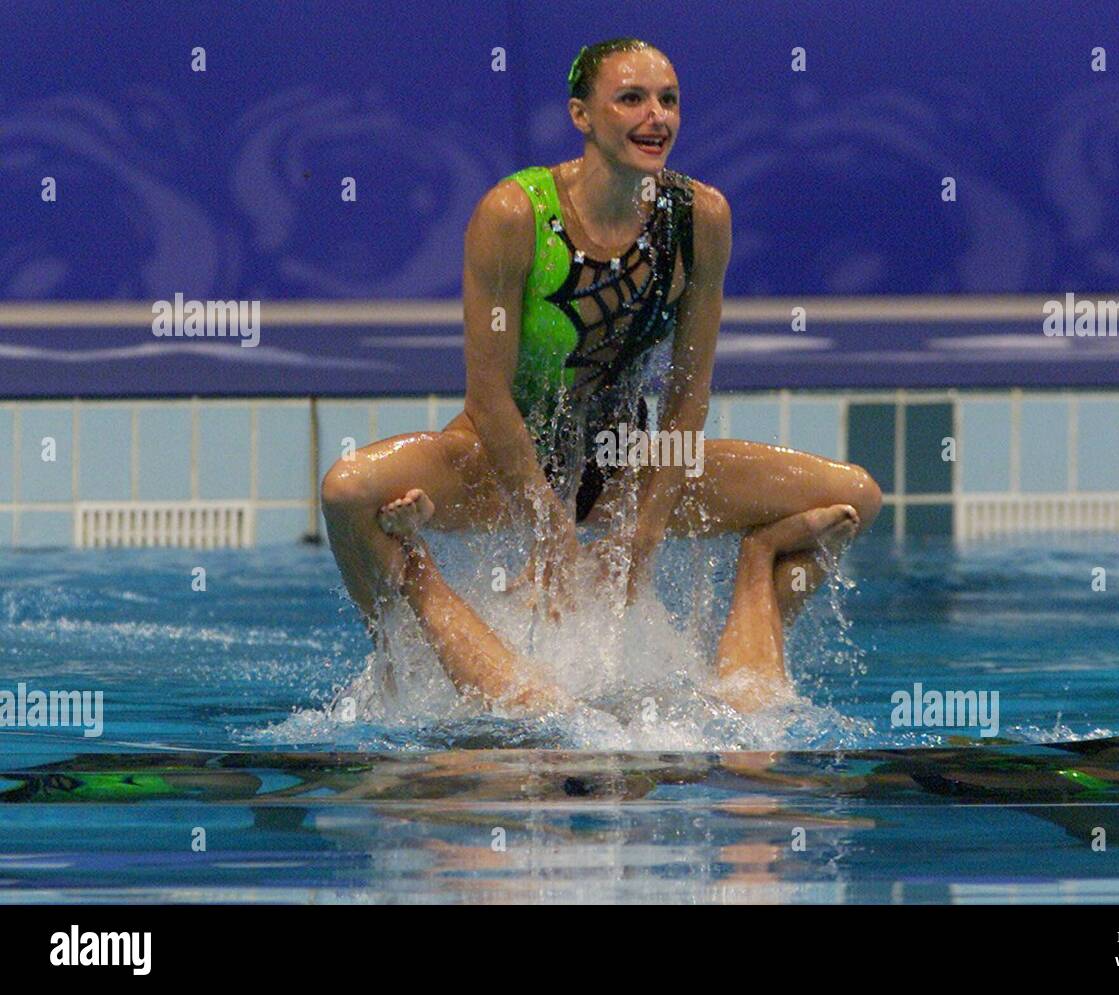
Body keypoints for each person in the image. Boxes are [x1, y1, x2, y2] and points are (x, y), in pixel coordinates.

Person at [321, 37, 882, 650]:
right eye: (631, 99)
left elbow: (688, 394)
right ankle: (400, 660)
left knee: (854, 497)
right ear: (581, 116)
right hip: (502, 465)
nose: (656, 116)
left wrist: (644, 534)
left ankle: (755, 633)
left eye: (668, 100)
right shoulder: (513, 215)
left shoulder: (700, 217)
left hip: (630, 464)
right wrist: (550, 529)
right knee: (350, 489)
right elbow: (487, 398)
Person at [376, 488, 862, 713]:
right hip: (633, 756)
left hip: (600, 750)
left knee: (537, 714)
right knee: (756, 720)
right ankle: (760, 554)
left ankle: (416, 562)